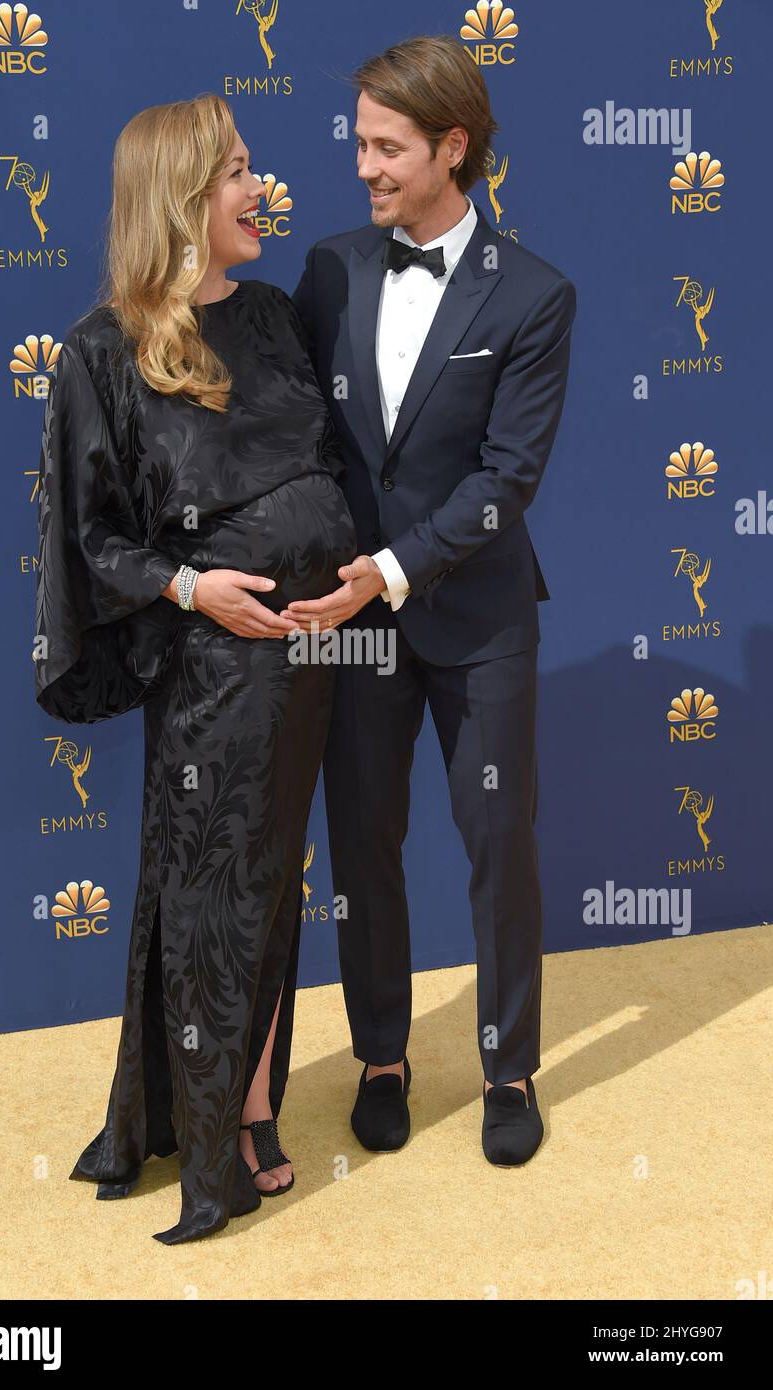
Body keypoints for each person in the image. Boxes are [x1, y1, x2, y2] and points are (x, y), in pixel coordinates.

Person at [33, 94, 356, 1243]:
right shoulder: (100, 353)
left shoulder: (272, 316)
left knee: (274, 888)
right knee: (212, 896)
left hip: (311, 656)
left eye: (253, 167)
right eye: (233, 173)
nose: (256, 189)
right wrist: (190, 588)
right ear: (179, 199)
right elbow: (92, 537)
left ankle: (253, 1102)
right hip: (213, 672)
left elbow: (319, 463)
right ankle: (211, 1142)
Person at [286, 36, 577, 1165]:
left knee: (497, 837)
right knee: (360, 845)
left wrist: (394, 568)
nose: (362, 165)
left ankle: (508, 1070)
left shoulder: (537, 295)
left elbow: (506, 479)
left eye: (384, 147)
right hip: (352, 622)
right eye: (358, 142)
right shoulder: (327, 268)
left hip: (478, 616)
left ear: (450, 148)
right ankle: (381, 1058)